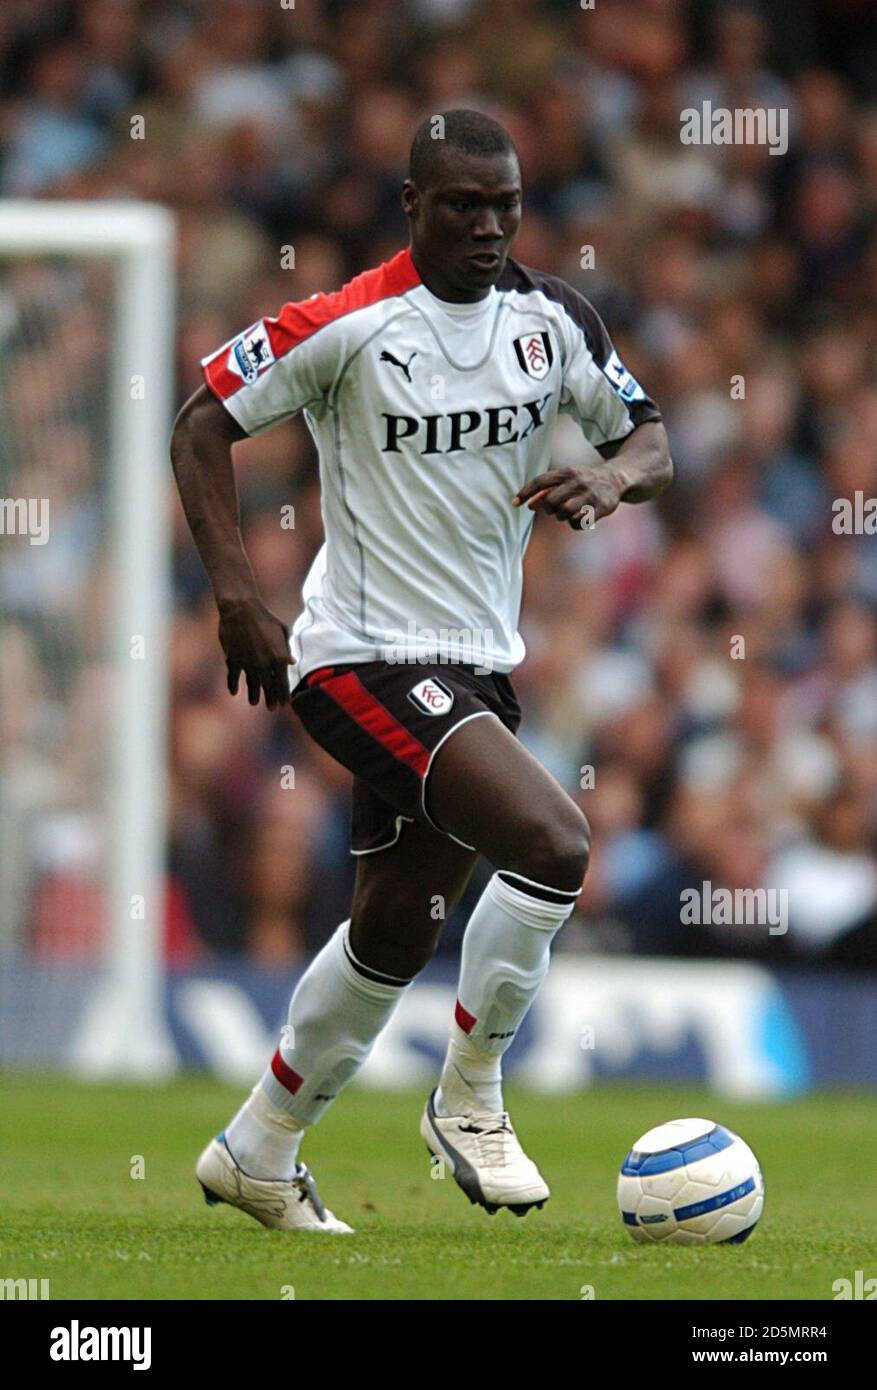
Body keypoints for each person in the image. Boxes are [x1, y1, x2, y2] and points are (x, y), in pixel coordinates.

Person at [170, 109, 672, 1233]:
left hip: (479, 665)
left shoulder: (552, 320)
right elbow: (201, 422)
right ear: (412, 206)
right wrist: (237, 594)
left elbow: (652, 437)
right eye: (463, 206)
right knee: (552, 840)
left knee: (395, 925)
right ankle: (471, 1093)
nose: (489, 228)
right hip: (358, 657)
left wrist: (607, 477)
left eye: (505, 205)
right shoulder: (347, 321)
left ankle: (257, 1147)